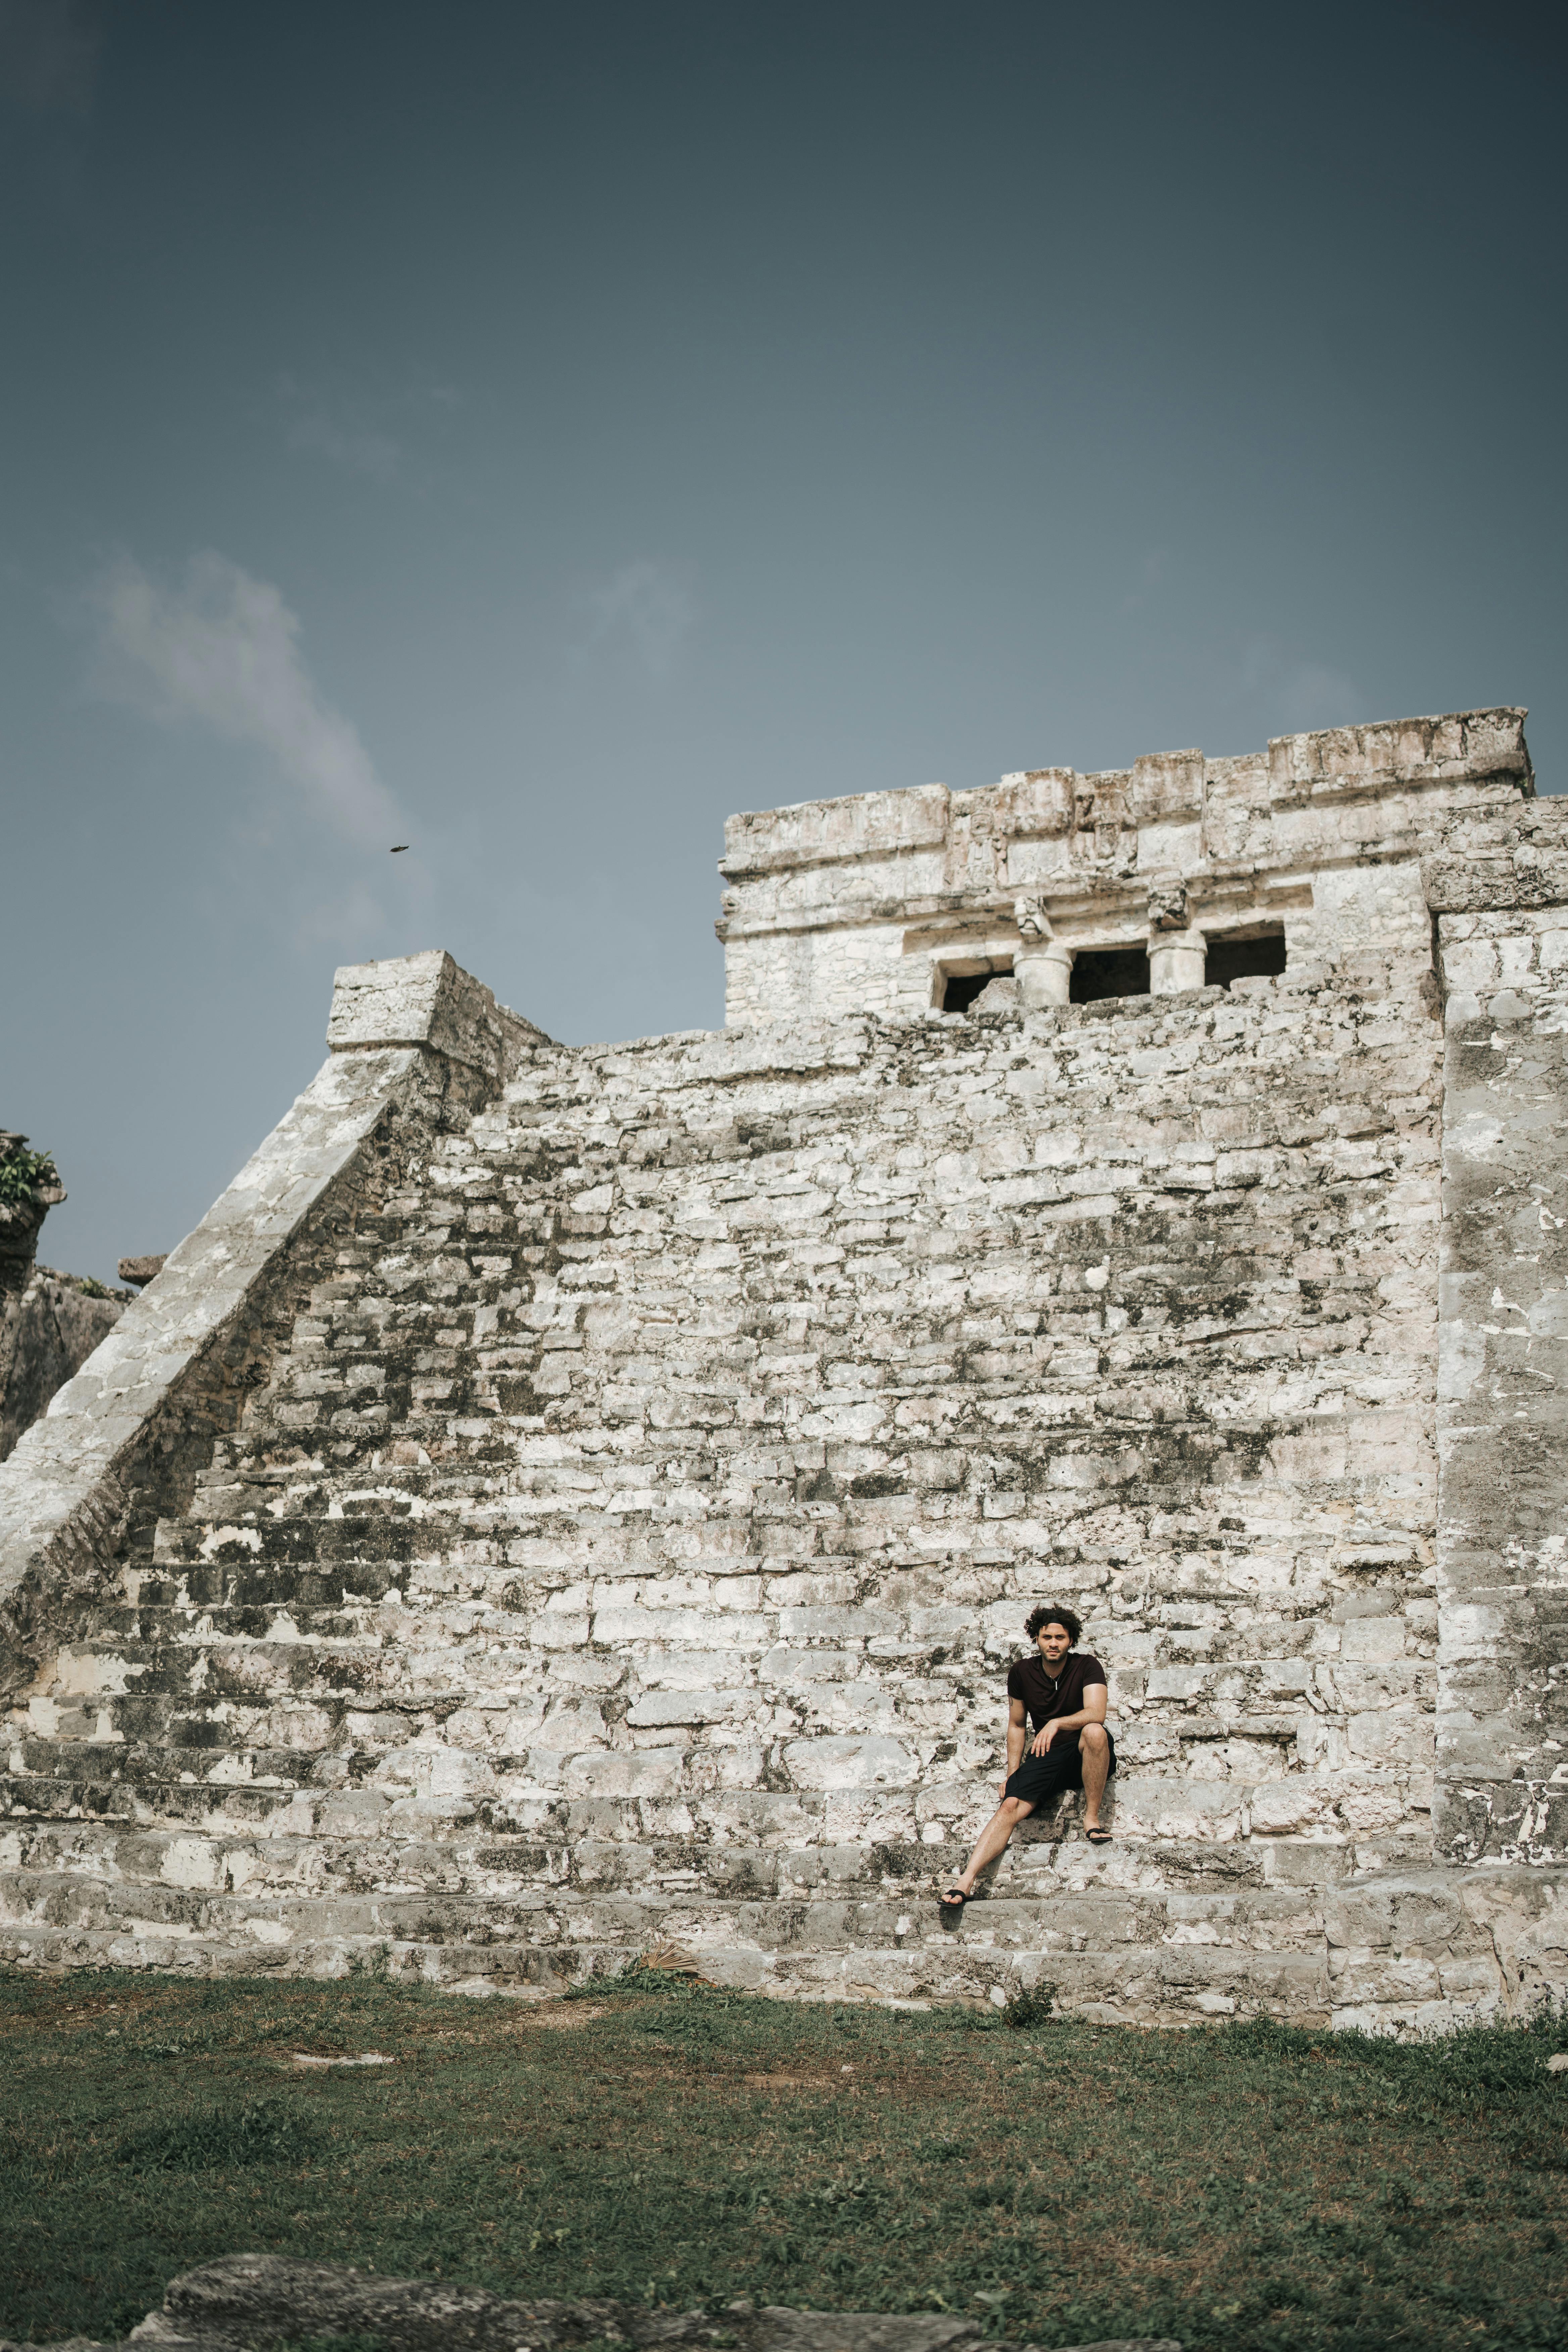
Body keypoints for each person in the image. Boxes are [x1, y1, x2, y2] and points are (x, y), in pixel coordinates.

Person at [940, 1604, 1115, 1913]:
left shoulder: (1088, 1665)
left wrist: (1058, 1722)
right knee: (1010, 1804)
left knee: (1095, 1732)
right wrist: (1012, 1772)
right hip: (1046, 1755)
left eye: (1060, 1637)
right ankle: (965, 1881)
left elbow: (1097, 1714)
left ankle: (1091, 1818)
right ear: (1037, 1639)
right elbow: (1017, 1725)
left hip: (1084, 1752)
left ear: (1071, 1641)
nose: (1053, 1643)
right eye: (1047, 1637)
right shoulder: (1021, 1672)